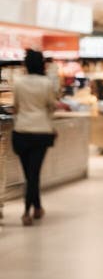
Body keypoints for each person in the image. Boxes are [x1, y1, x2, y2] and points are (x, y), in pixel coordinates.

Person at [12, 49, 57, 226]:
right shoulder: (46, 83)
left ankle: (36, 208)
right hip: (41, 131)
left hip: (21, 130)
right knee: (34, 173)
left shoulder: (18, 82)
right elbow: (51, 107)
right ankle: (27, 211)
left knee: (29, 173)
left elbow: (15, 106)